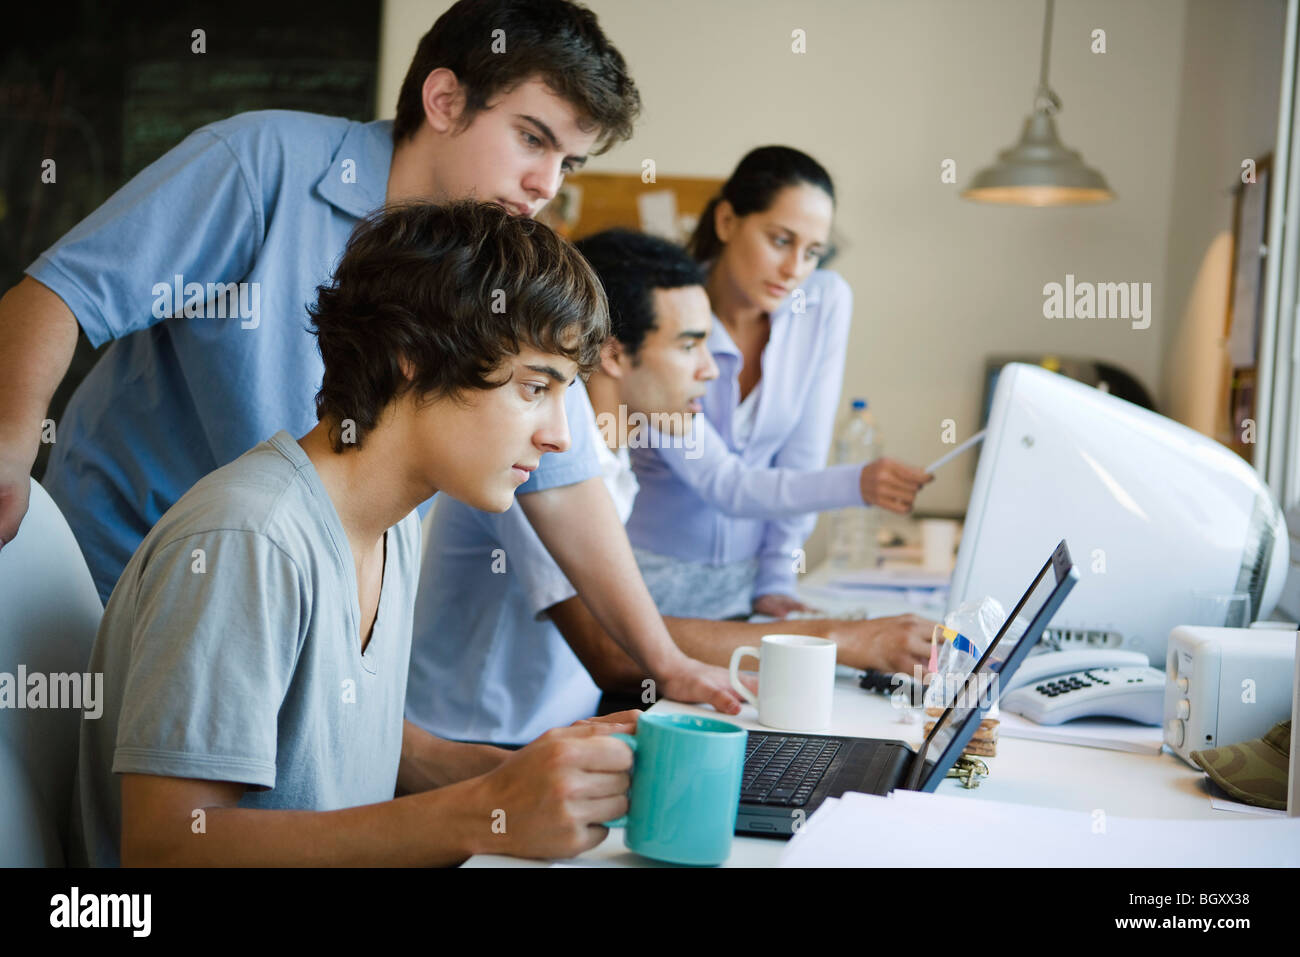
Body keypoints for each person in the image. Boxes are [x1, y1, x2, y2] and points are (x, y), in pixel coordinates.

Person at [0, 0, 739, 713]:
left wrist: (665, 663)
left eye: (569, 163)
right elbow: (58, 295)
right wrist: (7, 450)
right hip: (124, 584)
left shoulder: (492, 266)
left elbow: (568, 484)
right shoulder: (263, 164)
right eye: (532, 139)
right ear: (446, 100)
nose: (547, 185)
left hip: (294, 609)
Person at [77, 201, 646, 867]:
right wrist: (479, 815)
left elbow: (351, 740)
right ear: (414, 354)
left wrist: (536, 778)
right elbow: (167, 846)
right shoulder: (251, 539)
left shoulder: (393, 523)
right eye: (534, 388)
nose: (561, 434)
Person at [405, 229, 934, 746]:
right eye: (689, 345)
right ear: (613, 355)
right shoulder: (540, 448)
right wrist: (839, 640)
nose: (711, 370)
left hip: (566, 727)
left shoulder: (636, 428)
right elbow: (613, 651)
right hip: (475, 744)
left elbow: (737, 486)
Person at [626, 146, 933, 620]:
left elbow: (801, 457)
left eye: (813, 252)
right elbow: (724, 484)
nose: (795, 269)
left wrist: (775, 578)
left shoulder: (823, 302)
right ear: (727, 221)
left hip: (746, 590)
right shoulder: (667, 314)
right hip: (647, 584)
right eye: (780, 240)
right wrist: (858, 482)